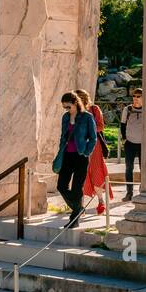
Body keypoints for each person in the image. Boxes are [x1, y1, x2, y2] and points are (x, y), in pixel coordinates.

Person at [54, 91, 96, 228]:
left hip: (80, 156)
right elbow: (63, 135)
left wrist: (86, 151)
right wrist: (61, 149)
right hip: (67, 155)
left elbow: (93, 138)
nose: (66, 110)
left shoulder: (87, 117)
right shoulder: (65, 117)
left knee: (77, 188)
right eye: (64, 107)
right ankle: (78, 208)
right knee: (61, 186)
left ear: (75, 103)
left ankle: (74, 219)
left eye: (68, 107)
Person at [75, 89, 113, 213]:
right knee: (81, 173)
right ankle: (79, 205)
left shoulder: (94, 109)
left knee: (96, 171)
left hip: (94, 145)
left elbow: (101, 125)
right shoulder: (74, 112)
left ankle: (101, 201)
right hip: (79, 145)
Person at [120, 87, 143, 201]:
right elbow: (122, 125)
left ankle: (143, 190)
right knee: (129, 168)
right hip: (130, 143)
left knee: (143, 168)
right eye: (134, 96)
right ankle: (129, 193)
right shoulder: (127, 109)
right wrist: (124, 138)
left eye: (138, 96)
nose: (136, 98)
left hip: (143, 144)